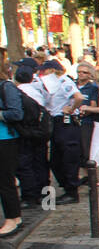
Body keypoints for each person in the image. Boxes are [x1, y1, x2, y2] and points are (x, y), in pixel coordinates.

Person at [37, 60, 83, 203]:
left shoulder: (64, 81)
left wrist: (70, 109)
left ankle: (72, 191)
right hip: (56, 122)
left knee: (68, 158)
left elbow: (78, 97)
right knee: (56, 161)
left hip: (65, 122)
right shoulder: (50, 84)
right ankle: (67, 186)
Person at [13, 60, 50, 208]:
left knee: (25, 164)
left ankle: (30, 196)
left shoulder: (20, 92)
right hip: (40, 132)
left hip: (27, 132)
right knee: (40, 162)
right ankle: (44, 194)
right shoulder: (38, 89)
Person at [0, 61, 25, 237]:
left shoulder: (6, 86)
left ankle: (12, 218)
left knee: (5, 181)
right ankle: (14, 217)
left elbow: (16, 113)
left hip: (5, 139)